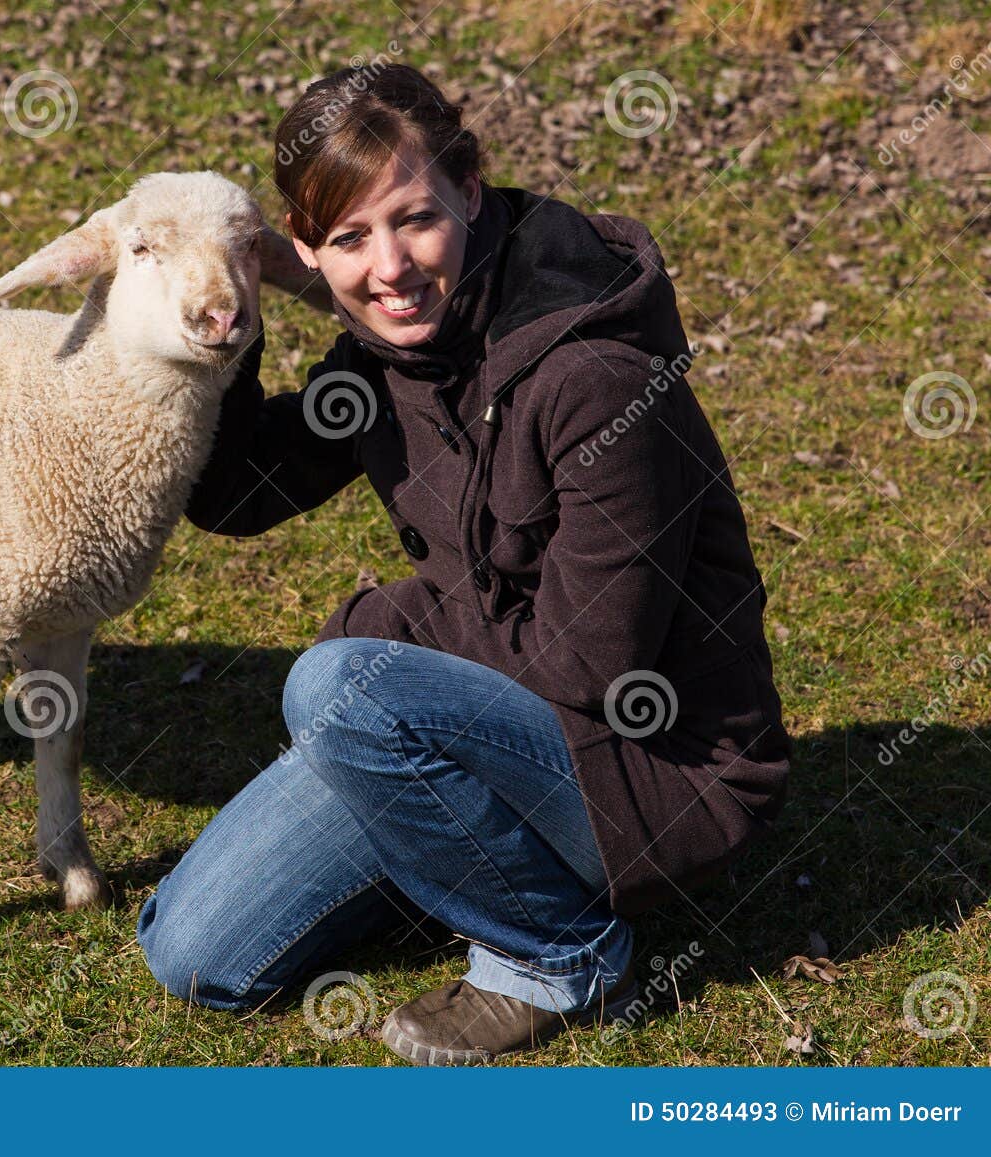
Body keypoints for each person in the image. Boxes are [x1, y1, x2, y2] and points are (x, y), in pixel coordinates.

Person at [134, 62, 792, 1065]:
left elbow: (590, 664)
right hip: (488, 717)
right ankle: (457, 840)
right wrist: (233, 321)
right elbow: (239, 495)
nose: (389, 267)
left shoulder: (593, 375)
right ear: (306, 253)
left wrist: (381, 629)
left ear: (470, 194)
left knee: (342, 687)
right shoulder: (386, 357)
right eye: (350, 240)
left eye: (415, 220)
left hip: (656, 763)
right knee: (195, 951)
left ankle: (555, 955)